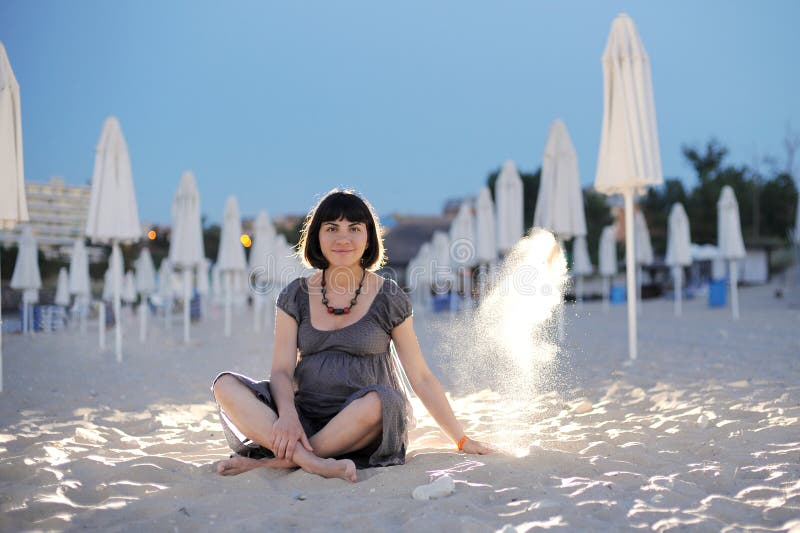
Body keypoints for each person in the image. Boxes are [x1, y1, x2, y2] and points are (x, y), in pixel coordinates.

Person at [212, 189, 493, 482]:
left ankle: (279, 462)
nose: (342, 238)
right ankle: (310, 461)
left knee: (382, 400)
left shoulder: (389, 297)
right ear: (317, 236)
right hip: (304, 415)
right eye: (332, 228)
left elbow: (420, 377)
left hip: (364, 422)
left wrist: (461, 438)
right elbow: (281, 371)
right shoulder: (295, 295)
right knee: (225, 385)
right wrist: (288, 416)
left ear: (369, 238)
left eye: (354, 229)